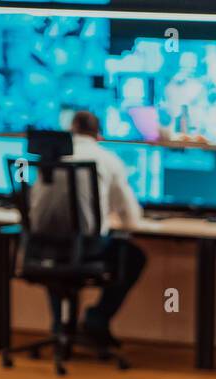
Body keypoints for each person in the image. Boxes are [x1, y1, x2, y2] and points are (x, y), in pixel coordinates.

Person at [65, 110, 147, 349]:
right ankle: (98, 318)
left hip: (43, 248)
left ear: (72, 130)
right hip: (88, 249)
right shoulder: (109, 160)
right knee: (135, 257)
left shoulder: (52, 157)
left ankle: (60, 327)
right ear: (98, 135)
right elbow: (132, 220)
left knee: (60, 264)